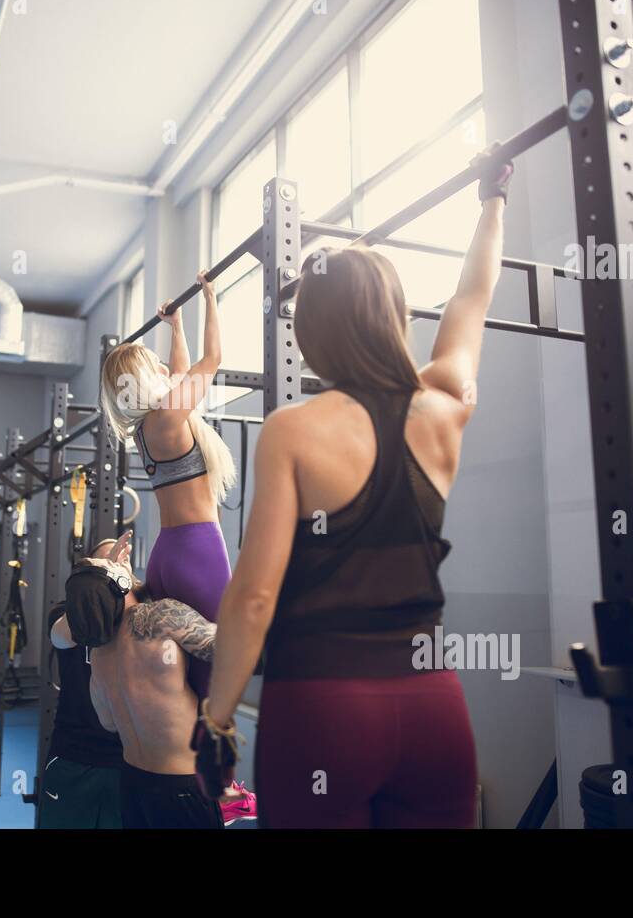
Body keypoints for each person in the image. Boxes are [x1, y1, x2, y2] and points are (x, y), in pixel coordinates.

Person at [193, 149, 516, 828]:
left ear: (311, 333)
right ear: (394, 317)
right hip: (434, 708)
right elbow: (473, 297)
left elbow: (253, 598)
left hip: (321, 709)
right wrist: (494, 200)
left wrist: (216, 721)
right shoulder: (445, 406)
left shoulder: (292, 430)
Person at [98, 272, 234, 700]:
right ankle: (213, 770)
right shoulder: (167, 418)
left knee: (186, 680)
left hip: (167, 556)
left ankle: (188, 765)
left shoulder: (147, 429)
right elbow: (211, 360)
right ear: (143, 376)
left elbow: (180, 373)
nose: (163, 366)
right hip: (198, 550)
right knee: (218, 674)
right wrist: (210, 297)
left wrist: (176, 326)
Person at [53, 532, 227, 829]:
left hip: (133, 784)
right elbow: (232, 652)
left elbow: (107, 721)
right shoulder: (159, 616)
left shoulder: (99, 651)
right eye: (118, 564)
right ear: (120, 582)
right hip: (181, 785)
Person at [39, 542, 126, 828]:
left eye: (121, 560)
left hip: (127, 760)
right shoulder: (62, 614)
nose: (113, 565)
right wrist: (104, 579)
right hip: (72, 756)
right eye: (104, 561)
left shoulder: (140, 616)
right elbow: (63, 636)